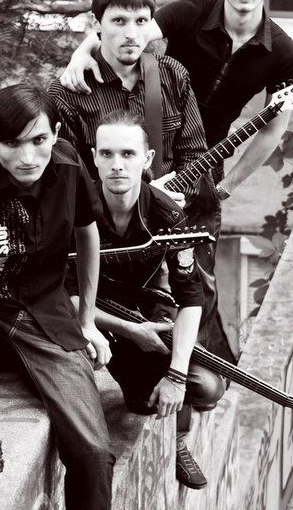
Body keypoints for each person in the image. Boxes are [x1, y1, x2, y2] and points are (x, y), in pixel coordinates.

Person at [60, 0, 293, 364]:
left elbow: (271, 130)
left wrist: (227, 186)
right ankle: (128, 344)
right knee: (130, 260)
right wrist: (83, 51)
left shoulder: (282, 52)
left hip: (203, 163)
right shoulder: (191, 13)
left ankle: (191, 367)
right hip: (150, 148)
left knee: (195, 277)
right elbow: (129, 31)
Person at [0, 84, 114, 510]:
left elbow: (87, 232)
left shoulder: (68, 165)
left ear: (55, 134)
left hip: (45, 316)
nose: (27, 157)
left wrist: (88, 319)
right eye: (12, 143)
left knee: (94, 452)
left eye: (39, 140)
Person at [66, 111, 225, 490]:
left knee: (206, 386)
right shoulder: (72, 207)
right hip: (89, 319)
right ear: (93, 157)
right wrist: (126, 330)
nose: (117, 165)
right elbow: (59, 292)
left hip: (145, 312)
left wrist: (176, 376)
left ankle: (178, 438)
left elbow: (190, 298)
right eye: (107, 154)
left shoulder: (167, 214)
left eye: (127, 154)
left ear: (147, 159)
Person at [48, 0, 210, 212]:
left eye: (141, 21)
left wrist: (169, 200)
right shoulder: (67, 93)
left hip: (168, 217)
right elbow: (67, 179)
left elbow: (194, 154)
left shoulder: (173, 75)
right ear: (96, 23)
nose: (132, 34)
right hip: (99, 224)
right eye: (119, 21)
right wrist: (138, 201)